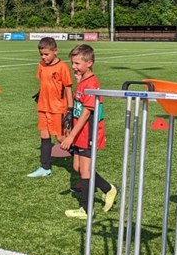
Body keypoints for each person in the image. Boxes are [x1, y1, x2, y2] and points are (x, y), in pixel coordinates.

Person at [59, 44, 117, 219]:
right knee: (77, 167)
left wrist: (71, 136)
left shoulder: (92, 83)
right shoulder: (83, 80)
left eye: (77, 63)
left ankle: (86, 209)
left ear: (89, 63)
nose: (73, 67)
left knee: (85, 171)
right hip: (81, 132)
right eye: (73, 63)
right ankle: (108, 189)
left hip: (88, 133)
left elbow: (86, 113)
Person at [27, 37, 73, 178]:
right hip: (43, 106)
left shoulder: (62, 67)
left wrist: (70, 109)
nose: (44, 57)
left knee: (61, 138)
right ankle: (45, 167)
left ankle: (81, 159)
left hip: (57, 108)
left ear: (55, 51)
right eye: (41, 54)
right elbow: (45, 82)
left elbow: (68, 88)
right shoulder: (41, 65)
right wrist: (41, 94)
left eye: (46, 54)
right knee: (44, 136)